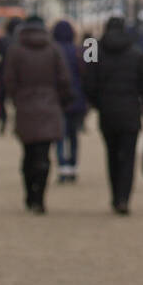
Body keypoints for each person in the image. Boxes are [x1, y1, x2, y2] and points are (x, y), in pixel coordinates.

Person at [83, 16, 143, 214]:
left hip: (107, 114)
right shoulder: (136, 53)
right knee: (128, 156)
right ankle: (124, 198)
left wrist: (98, 104)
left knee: (112, 155)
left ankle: (115, 194)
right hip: (130, 113)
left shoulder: (94, 51)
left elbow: (88, 82)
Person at [3, 14, 73, 212]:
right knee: (44, 154)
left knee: (28, 153)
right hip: (49, 105)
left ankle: (29, 194)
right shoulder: (53, 50)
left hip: (25, 106)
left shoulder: (15, 51)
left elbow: (9, 80)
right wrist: (63, 99)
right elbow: (64, 79)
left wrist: (16, 98)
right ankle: (40, 198)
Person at [51, 19, 88, 181]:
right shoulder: (80, 50)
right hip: (76, 97)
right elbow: (87, 73)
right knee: (73, 134)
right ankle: (73, 166)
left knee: (59, 134)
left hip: (57, 98)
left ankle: (62, 166)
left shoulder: (52, 51)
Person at [0, 17, 21, 135]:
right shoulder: (20, 41)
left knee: (2, 100)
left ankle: (3, 121)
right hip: (18, 76)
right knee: (17, 103)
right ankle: (16, 124)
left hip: (2, 74)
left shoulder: (1, 41)